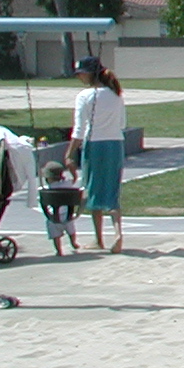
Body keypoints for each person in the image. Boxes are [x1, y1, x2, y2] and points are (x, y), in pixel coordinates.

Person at [65, 55, 127, 252]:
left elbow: (79, 130)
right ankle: (118, 233)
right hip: (116, 144)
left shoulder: (85, 96)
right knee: (112, 191)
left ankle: (99, 239)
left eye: (81, 73)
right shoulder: (116, 94)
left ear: (89, 74)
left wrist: (69, 154)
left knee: (93, 190)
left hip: (95, 145)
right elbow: (122, 123)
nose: (79, 78)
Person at [38, 161, 84, 255]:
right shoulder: (67, 184)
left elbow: (42, 201)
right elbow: (74, 179)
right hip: (68, 216)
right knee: (71, 230)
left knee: (55, 235)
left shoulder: (49, 188)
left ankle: (59, 250)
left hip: (53, 217)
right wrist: (72, 170)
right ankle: (73, 242)